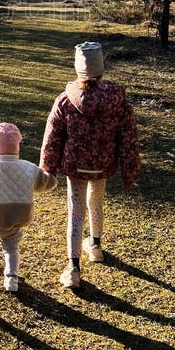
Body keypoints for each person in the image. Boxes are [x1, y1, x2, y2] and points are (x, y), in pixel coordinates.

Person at [40, 41, 140, 288]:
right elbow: (128, 139)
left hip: (75, 167)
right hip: (103, 165)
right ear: (101, 68)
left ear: (78, 68)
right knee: (96, 202)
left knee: (76, 211)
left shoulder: (64, 101)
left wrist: (47, 170)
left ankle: (73, 268)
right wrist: (129, 171)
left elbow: (52, 138)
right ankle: (95, 246)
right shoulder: (118, 101)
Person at [0, 122, 56, 292]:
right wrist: (51, 172)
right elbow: (47, 183)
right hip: (19, 215)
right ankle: (11, 278)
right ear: (16, 146)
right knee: (12, 247)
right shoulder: (29, 168)